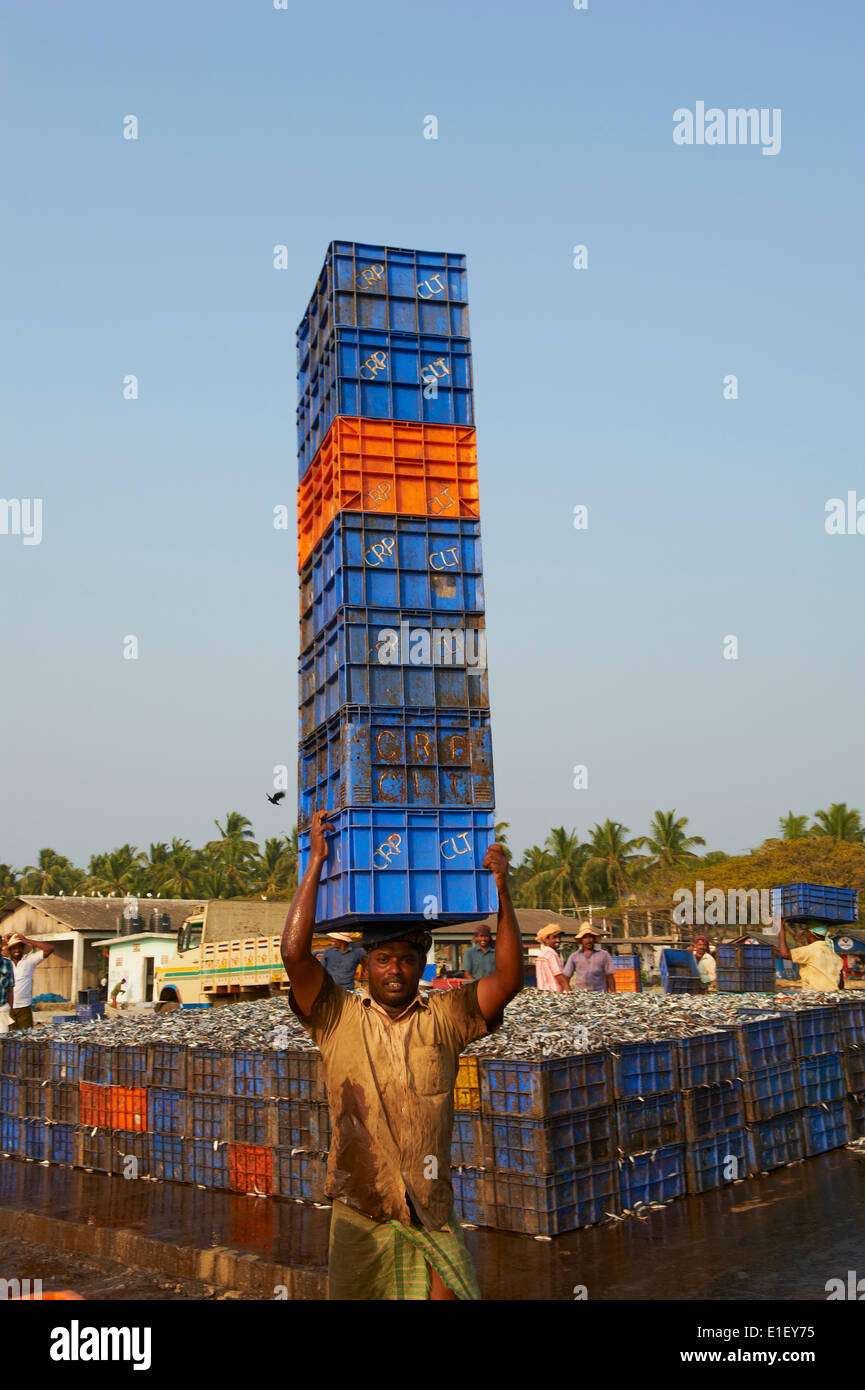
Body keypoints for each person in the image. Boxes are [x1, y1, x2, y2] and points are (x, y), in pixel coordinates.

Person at [281, 810, 523, 1301]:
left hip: (430, 1206)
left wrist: (501, 891)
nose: (396, 969)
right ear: (365, 968)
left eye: (408, 960)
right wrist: (316, 863)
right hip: (362, 1205)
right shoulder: (335, 1016)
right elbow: (294, 954)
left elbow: (508, 981)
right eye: (384, 959)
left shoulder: (446, 1018)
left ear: (421, 966)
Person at [4, 934, 54, 1031]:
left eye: (19, 947)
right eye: (14, 948)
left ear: (23, 948)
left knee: (26, 1037)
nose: (17, 950)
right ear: (10, 950)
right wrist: (3, 941)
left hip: (24, 1006)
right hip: (7, 1007)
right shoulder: (5, 962)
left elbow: (49, 949)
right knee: (8, 1038)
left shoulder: (29, 960)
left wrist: (27, 940)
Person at [777, 920, 843, 992]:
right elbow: (840, 985)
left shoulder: (810, 950)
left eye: (806, 933)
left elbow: (784, 954)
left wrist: (781, 929)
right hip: (833, 994)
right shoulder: (836, 956)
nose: (806, 935)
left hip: (815, 995)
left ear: (810, 934)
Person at [562, 923, 616, 992]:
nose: (588, 940)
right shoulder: (574, 956)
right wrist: (567, 991)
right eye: (585, 937)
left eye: (590, 937)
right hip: (580, 994)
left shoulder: (604, 955)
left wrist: (613, 993)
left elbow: (610, 976)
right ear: (581, 940)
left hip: (600, 993)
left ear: (593, 939)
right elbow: (566, 976)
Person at [534, 924, 569, 992]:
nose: (558, 940)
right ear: (546, 939)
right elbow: (560, 978)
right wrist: (569, 992)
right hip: (554, 993)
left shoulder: (542, 954)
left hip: (543, 993)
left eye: (559, 937)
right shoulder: (551, 954)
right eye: (554, 937)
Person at [0, 941, 13, 1035]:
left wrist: (11, 1009)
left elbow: (10, 989)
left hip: (2, 1009)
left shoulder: (7, 963)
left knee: (2, 1040)